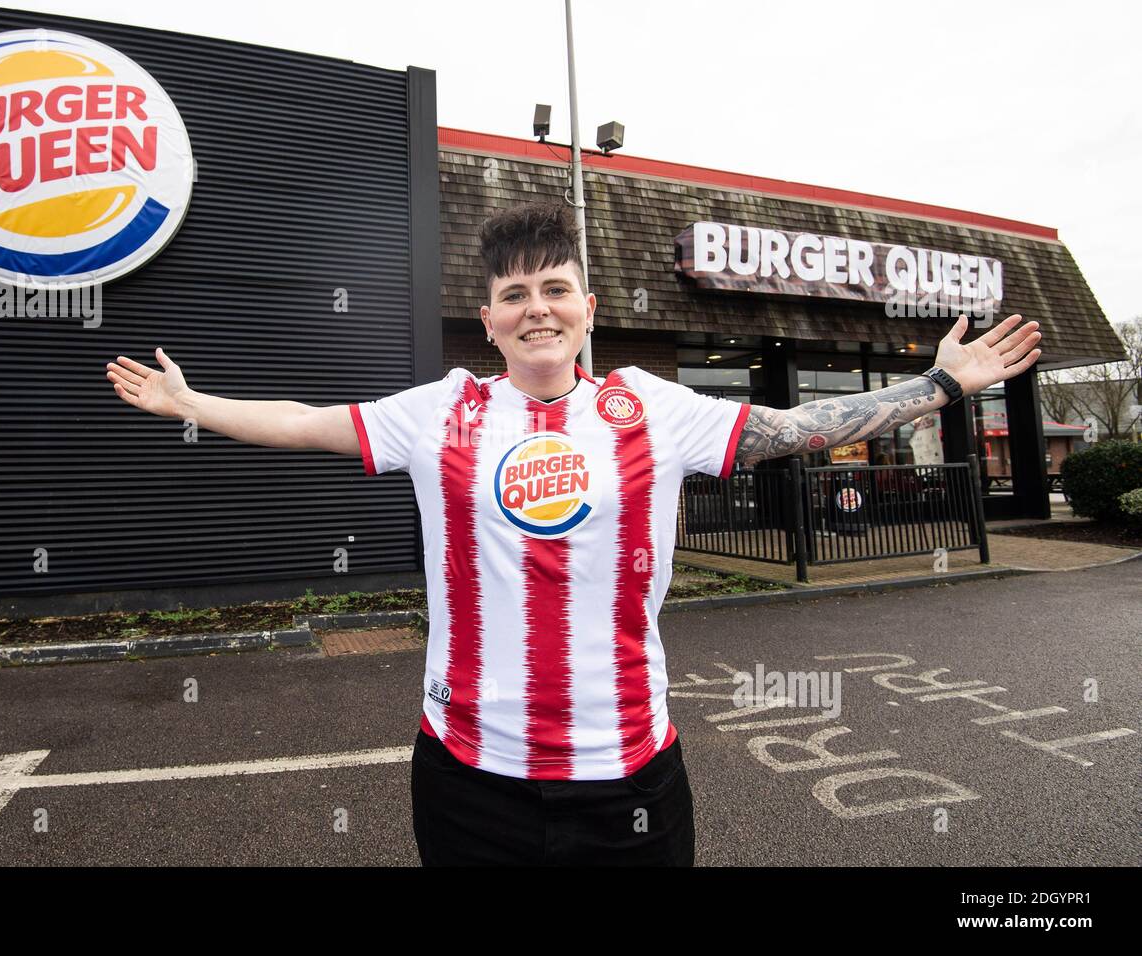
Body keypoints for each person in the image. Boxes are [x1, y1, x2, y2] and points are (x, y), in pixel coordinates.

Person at [104, 202, 1041, 866]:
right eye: (514, 295)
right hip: (469, 776)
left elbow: (797, 429)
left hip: (627, 777)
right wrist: (191, 402)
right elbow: (306, 421)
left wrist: (940, 388)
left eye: (556, 289)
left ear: (587, 310)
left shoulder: (652, 407)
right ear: (490, 322)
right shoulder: (443, 411)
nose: (537, 307)